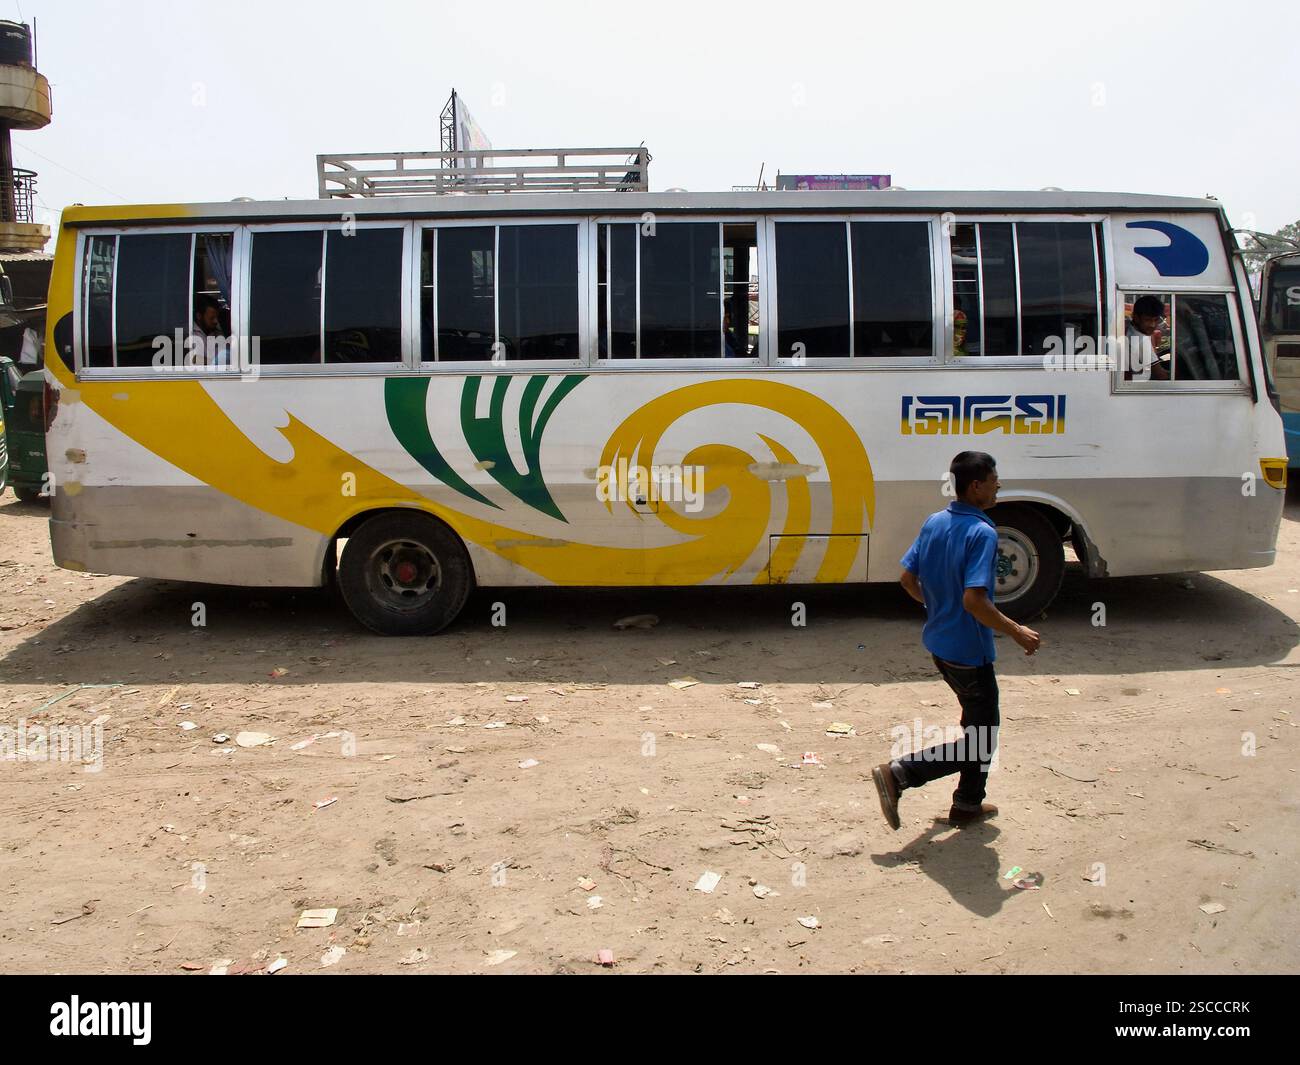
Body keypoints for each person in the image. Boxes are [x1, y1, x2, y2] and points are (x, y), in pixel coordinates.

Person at [872, 451, 1041, 831]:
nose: (999, 485)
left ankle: (967, 805)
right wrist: (1017, 631)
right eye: (995, 478)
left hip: (940, 645)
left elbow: (907, 579)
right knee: (982, 738)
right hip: (968, 650)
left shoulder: (935, 522)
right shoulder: (982, 533)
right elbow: (974, 600)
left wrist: (938, 608)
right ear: (976, 485)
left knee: (978, 728)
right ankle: (899, 774)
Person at [1125, 295, 1170, 380]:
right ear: (1136, 317)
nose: (1152, 325)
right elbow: (1161, 376)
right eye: (1148, 320)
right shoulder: (1140, 340)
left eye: (1156, 320)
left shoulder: (1130, 329)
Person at [190, 295, 230, 367]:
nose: (216, 321)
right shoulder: (189, 332)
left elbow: (228, 356)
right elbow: (193, 358)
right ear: (199, 316)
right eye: (212, 318)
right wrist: (216, 363)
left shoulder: (218, 333)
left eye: (217, 317)